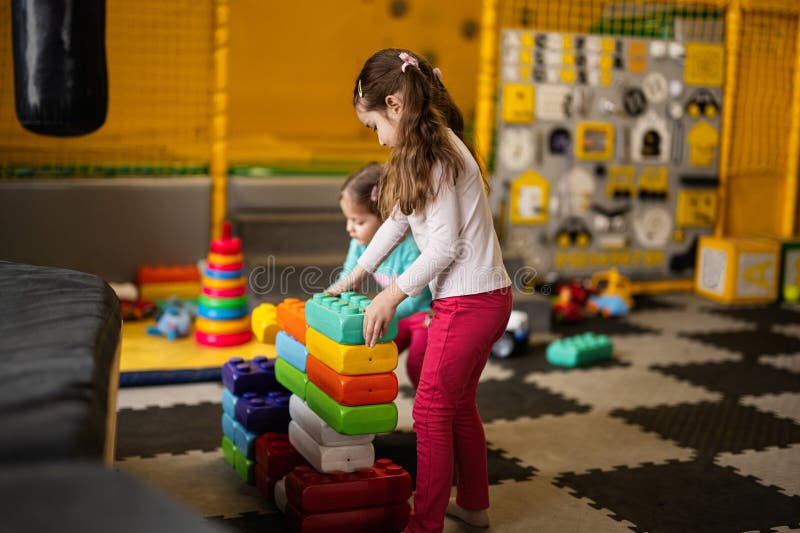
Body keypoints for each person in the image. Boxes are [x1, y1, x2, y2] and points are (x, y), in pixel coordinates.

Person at [327, 48, 512, 533]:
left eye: (373, 127)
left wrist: (392, 295)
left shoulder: (438, 154)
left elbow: (445, 247)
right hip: (481, 297)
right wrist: (354, 276)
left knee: (430, 408)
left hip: (469, 301)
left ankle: (424, 525)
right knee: (457, 407)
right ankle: (473, 504)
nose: (378, 138)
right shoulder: (422, 150)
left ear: (393, 104)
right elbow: (397, 223)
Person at [337, 162, 432, 388]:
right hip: (395, 314)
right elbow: (348, 276)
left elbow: (415, 298)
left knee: (417, 366)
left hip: (424, 316)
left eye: (358, 222)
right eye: (348, 220)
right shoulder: (359, 244)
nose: (350, 228)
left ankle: (431, 408)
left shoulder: (410, 249)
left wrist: (378, 315)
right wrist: (331, 298)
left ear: (387, 218)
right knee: (370, 354)